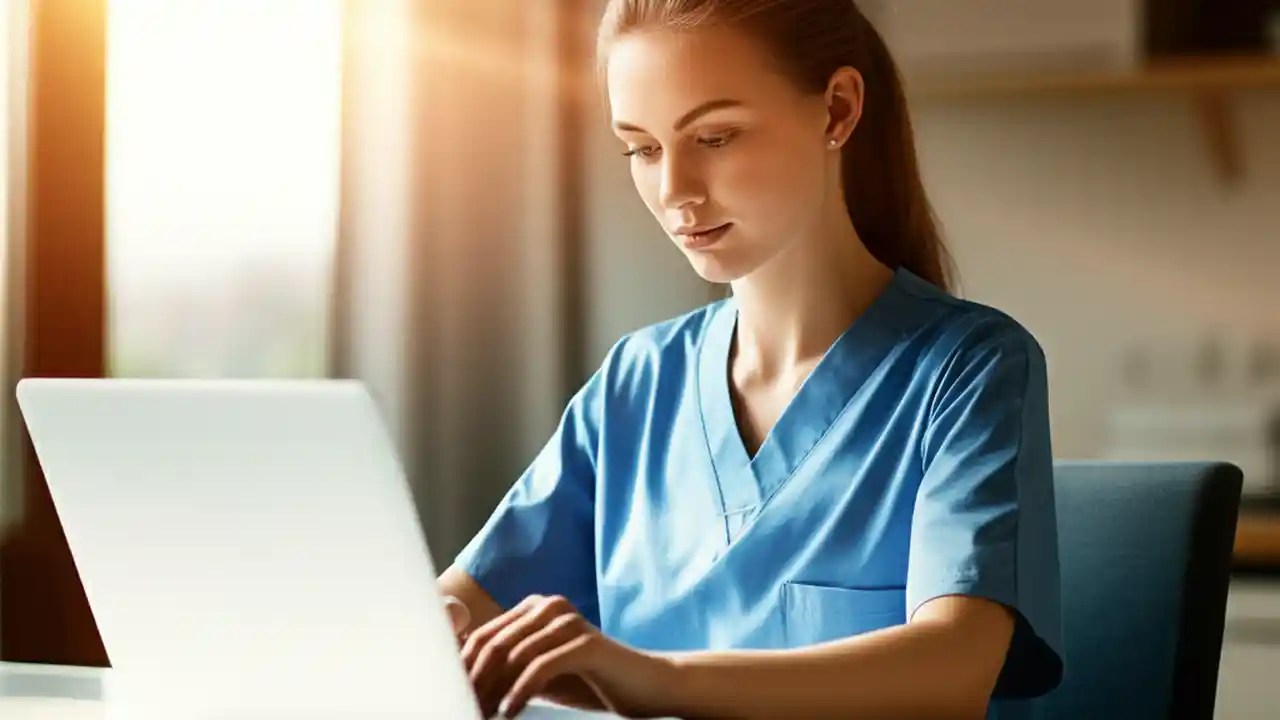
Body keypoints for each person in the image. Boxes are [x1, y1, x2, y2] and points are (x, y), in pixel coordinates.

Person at [438, 1, 1063, 717]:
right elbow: (457, 606)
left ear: (836, 110)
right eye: (642, 148)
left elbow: (954, 669)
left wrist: (651, 679)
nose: (675, 191)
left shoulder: (968, 370)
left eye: (716, 136)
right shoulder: (635, 385)